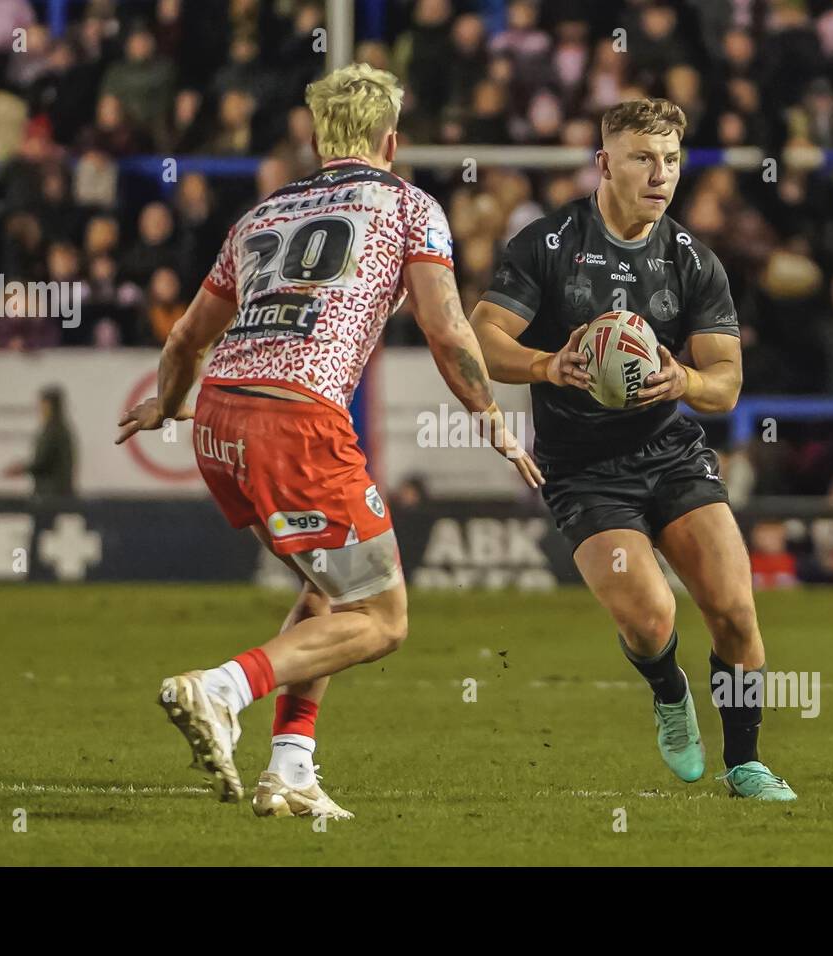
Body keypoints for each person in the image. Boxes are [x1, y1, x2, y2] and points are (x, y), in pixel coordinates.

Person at [116, 64, 539, 819]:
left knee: (328, 589)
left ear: (316, 140)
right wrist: (494, 419)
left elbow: (185, 339)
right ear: (392, 140)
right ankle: (221, 689)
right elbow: (447, 330)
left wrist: (166, 406)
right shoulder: (411, 206)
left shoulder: (262, 215)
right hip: (296, 420)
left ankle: (292, 767)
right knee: (382, 620)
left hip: (217, 420)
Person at [470, 98, 796, 801]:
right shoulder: (548, 245)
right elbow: (484, 337)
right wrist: (548, 365)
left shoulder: (691, 260)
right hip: (584, 471)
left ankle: (745, 763)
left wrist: (684, 378)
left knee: (735, 609)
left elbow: (727, 383)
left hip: (670, 453)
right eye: (644, 158)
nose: (661, 174)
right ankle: (669, 690)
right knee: (651, 620)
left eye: (672, 160)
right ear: (604, 163)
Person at [4, 385, 75, 497]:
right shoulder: (58, 428)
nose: (40, 409)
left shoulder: (54, 430)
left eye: (42, 404)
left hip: (51, 492)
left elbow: (42, 462)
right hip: (53, 491)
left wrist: (21, 468)